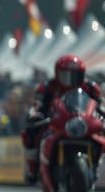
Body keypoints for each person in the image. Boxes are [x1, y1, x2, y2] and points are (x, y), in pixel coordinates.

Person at [21, 55, 102, 184]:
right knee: (31, 132)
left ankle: (96, 165)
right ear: (58, 74)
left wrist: (101, 113)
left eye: (76, 75)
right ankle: (32, 167)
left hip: (82, 122)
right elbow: (38, 104)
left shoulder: (90, 87)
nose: (71, 79)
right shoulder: (48, 86)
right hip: (56, 122)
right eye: (67, 75)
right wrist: (36, 114)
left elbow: (99, 104)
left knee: (99, 137)